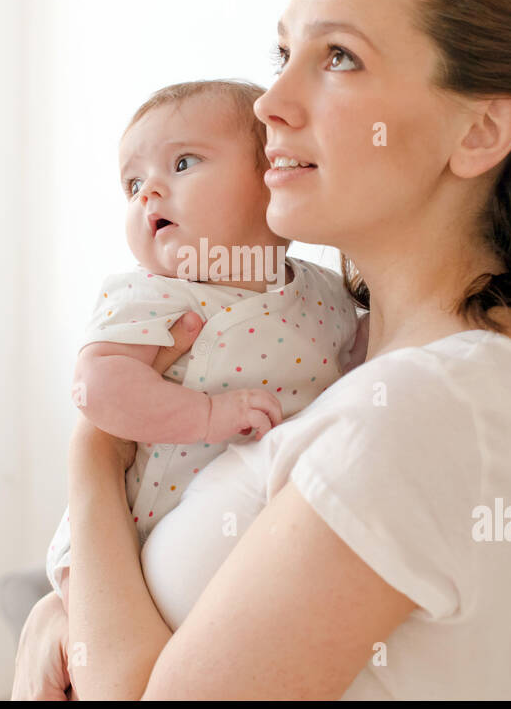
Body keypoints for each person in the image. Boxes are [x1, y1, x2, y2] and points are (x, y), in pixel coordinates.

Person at [12, 0, 511, 700]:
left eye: (339, 59)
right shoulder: (362, 373)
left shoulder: (428, 408)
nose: (269, 104)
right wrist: (61, 615)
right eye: (284, 52)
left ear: (479, 133)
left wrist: (92, 455)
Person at [43, 79, 365, 606]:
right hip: (121, 542)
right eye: (132, 184)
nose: (148, 192)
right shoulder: (152, 293)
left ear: (273, 174)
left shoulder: (323, 292)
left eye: (183, 163)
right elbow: (96, 386)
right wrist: (207, 417)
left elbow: (357, 358)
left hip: (232, 558)